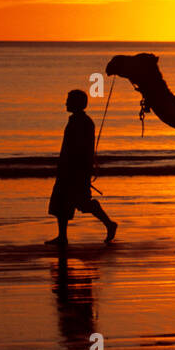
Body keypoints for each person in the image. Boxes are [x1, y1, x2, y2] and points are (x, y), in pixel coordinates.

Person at [47, 89, 116, 246]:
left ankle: (109, 224)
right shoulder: (78, 121)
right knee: (61, 202)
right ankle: (62, 236)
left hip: (75, 170)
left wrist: (79, 170)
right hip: (69, 169)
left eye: (69, 100)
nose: (66, 103)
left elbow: (81, 149)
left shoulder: (83, 122)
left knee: (82, 203)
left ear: (76, 103)